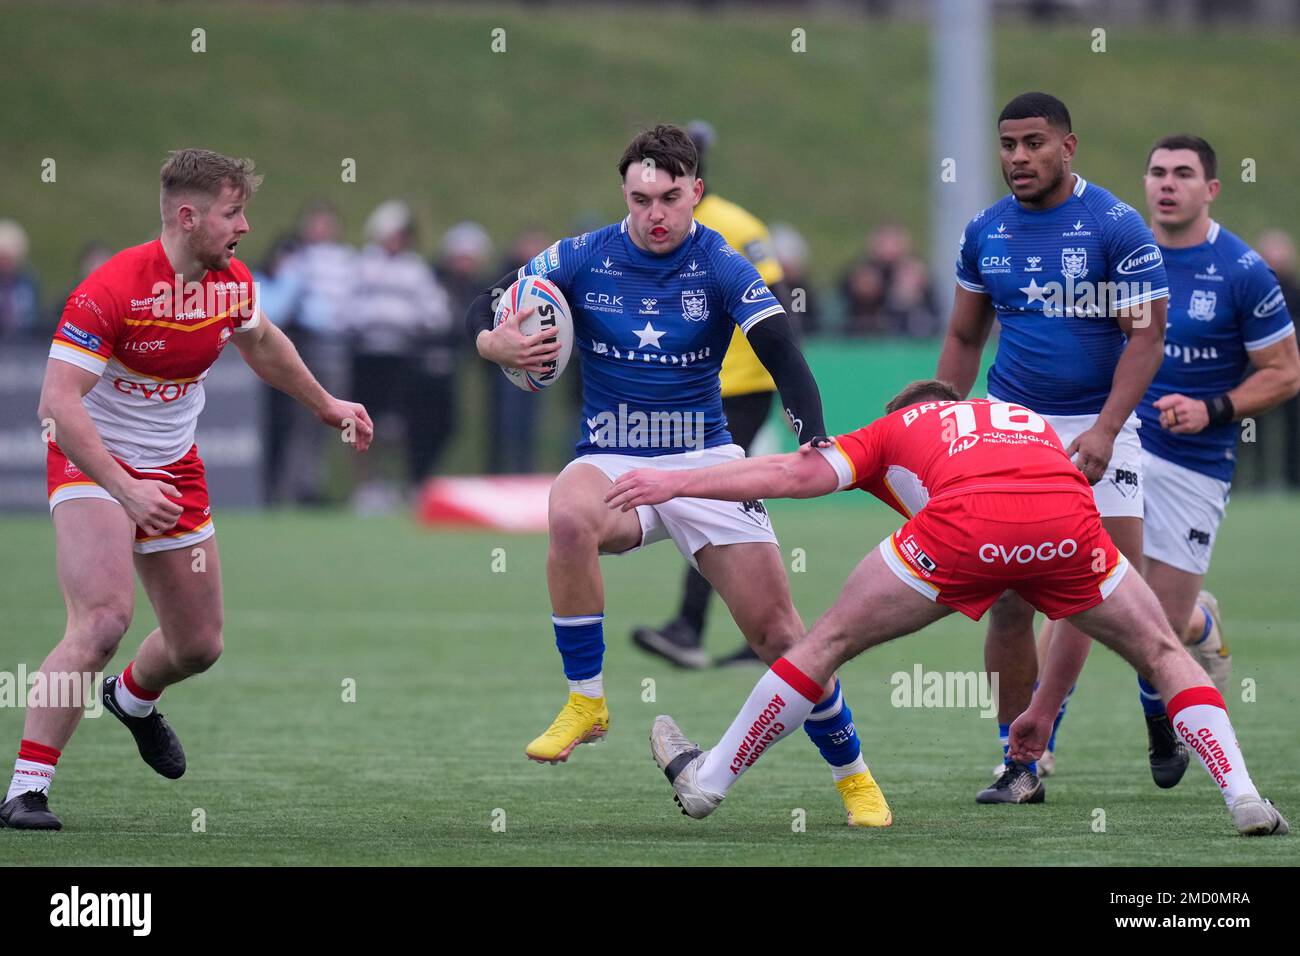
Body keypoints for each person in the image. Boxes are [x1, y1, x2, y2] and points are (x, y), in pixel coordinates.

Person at [604, 380, 1289, 838]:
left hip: (963, 531)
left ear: (911, 408)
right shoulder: (1019, 418)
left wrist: (676, 481)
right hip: (1064, 522)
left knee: (825, 643)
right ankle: (1245, 798)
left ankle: (710, 780)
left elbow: (789, 474)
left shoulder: (900, 426)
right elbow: (1040, 557)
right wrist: (1041, 710)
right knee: (1166, 653)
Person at [467, 124, 890, 826]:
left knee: (782, 637)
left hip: (704, 459)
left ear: (696, 191)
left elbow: (781, 347)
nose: (654, 214)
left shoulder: (719, 262)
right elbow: (483, 302)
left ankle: (855, 778)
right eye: (639, 199)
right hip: (613, 452)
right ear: (623, 195)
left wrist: (814, 435)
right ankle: (586, 701)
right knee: (568, 514)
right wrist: (495, 339)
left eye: (668, 197)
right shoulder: (582, 255)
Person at [0, 149, 373, 831]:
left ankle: (133, 700)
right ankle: (26, 788)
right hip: (93, 464)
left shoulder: (231, 281)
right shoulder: (110, 288)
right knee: (103, 620)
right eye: (234, 212)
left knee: (199, 645)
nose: (245, 226)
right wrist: (124, 487)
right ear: (188, 214)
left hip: (174, 469)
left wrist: (325, 404)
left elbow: (262, 343)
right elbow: (57, 404)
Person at [934, 91, 1169, 803]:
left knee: (1113, 594)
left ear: (1068, 147)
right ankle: (1021, 757)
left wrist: (1102, 429)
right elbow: (968, 336)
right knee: (1008, 599)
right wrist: (943, 413)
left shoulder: (1116, 227)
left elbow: (1146, 337)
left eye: (1034, 143)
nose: (1018, 158)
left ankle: (1160, 700)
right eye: (1008, 145)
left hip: (1102, 424)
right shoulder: (984, 231)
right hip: (1011, 427)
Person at [1062, 135, 1295, 788]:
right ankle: (1030, 752)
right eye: (1158, 172)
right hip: (1114, 443)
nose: (1168, 184)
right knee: (1081, 596)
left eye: (1184, 174)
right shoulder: (1117, 254)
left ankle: (1202, 624)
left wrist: (1214, 408)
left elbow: (1285, 372)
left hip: (1195, 460)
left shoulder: (1242, 270)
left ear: (1210, 189)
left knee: (1160, 623)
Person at [629, 119, 795, 670]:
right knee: (716, 501)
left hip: (739, 385)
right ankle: (747, 629)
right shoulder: (656, 227)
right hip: (697, 390)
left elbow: (770, 302)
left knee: (713, 498)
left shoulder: (731, 228)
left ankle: (704, 627)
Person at [349, 200, 455, 509]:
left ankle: (398, 486)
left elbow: (435, 312)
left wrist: (417, 324)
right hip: (366, 355)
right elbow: (345, 308)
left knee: (398, 425)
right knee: (362, 421)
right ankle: (367, 488)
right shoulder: (363, 264)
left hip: (402, 357)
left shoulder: (414, 269)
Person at [0, 219, 41, 339]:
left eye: (8, 258)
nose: (5, 263)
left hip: (22, 344)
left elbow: (33, 317)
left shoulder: (29, 284)